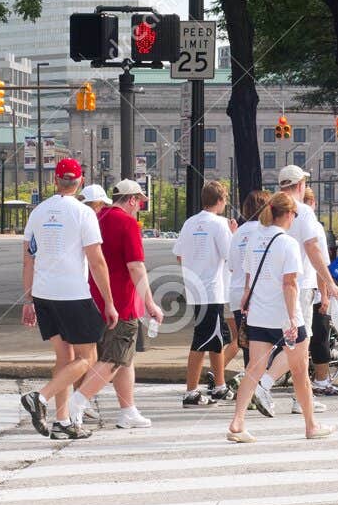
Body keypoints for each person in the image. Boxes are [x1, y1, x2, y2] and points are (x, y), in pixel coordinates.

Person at [19, 158, 117, 441]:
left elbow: (28, 259)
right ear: (81, 182)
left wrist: (28, 300)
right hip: (72, 293)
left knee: (64, 357)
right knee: (89, 357)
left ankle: (62, 422)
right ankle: (40, 397)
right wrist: (109, 302)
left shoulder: (37, 212)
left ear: (55, 181)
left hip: (43, 293)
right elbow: (97, 262)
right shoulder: (84, 214)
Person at [225, 192, 332, 443]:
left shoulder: (254, 238)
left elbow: (249, 277)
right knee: (300, 371)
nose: (295, 218)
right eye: (294, 213)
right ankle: (311, 425)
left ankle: (238, 421)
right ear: (287, 214)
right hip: (284, 316)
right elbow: (290, 283)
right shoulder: (287, 243)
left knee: (253, 369)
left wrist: (246, 298)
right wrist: (294, 319)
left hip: (259, 315)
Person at [69, 180, 164, 431]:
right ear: (131, 200)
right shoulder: (128, 223)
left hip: (94, 299)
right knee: (114, 358)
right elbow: (135, 267)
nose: (140, 206)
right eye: (140, 202)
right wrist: (150, 303)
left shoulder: (96, 219)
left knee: (124, 359)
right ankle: (77, 402)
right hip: (122, 303)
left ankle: (128, 410)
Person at [273, 165, 338, 409]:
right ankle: (268, 385)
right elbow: (314, 250)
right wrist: (330, 284)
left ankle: (298, 397)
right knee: (299, 344)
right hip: (300, 285)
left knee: (282, 342)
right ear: (300, 185)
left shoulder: (270, 209)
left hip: (273, 286)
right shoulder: (302, 211)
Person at [175, 181, 235, 407]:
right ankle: (191, 392)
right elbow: (231, 256)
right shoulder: (220, 224)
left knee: (215, 339)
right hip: (212, 289)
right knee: (202, 340)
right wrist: (233, 234)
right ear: (220, 201)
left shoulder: (190, 223)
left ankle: (219, 385)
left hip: (195, 287)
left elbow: (179, 255)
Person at [226, 189, 271, 396]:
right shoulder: (263, 232)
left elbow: (232, 267)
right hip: (256, 294)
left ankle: (249, 388)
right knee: (261, 343)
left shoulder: (239, 233)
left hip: (236, 293)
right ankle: (256, 387)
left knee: (246, 343)